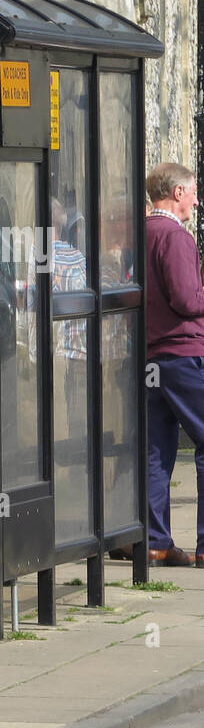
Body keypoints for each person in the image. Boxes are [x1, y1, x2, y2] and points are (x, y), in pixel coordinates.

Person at [144, 162, 204, 567]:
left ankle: (154, 541)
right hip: (183, 353)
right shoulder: (175, 238)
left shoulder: (140, 234)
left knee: (156, 450)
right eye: (193, 191)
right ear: (178, 193)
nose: (197, 200)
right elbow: (186, 301)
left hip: (149, 357)